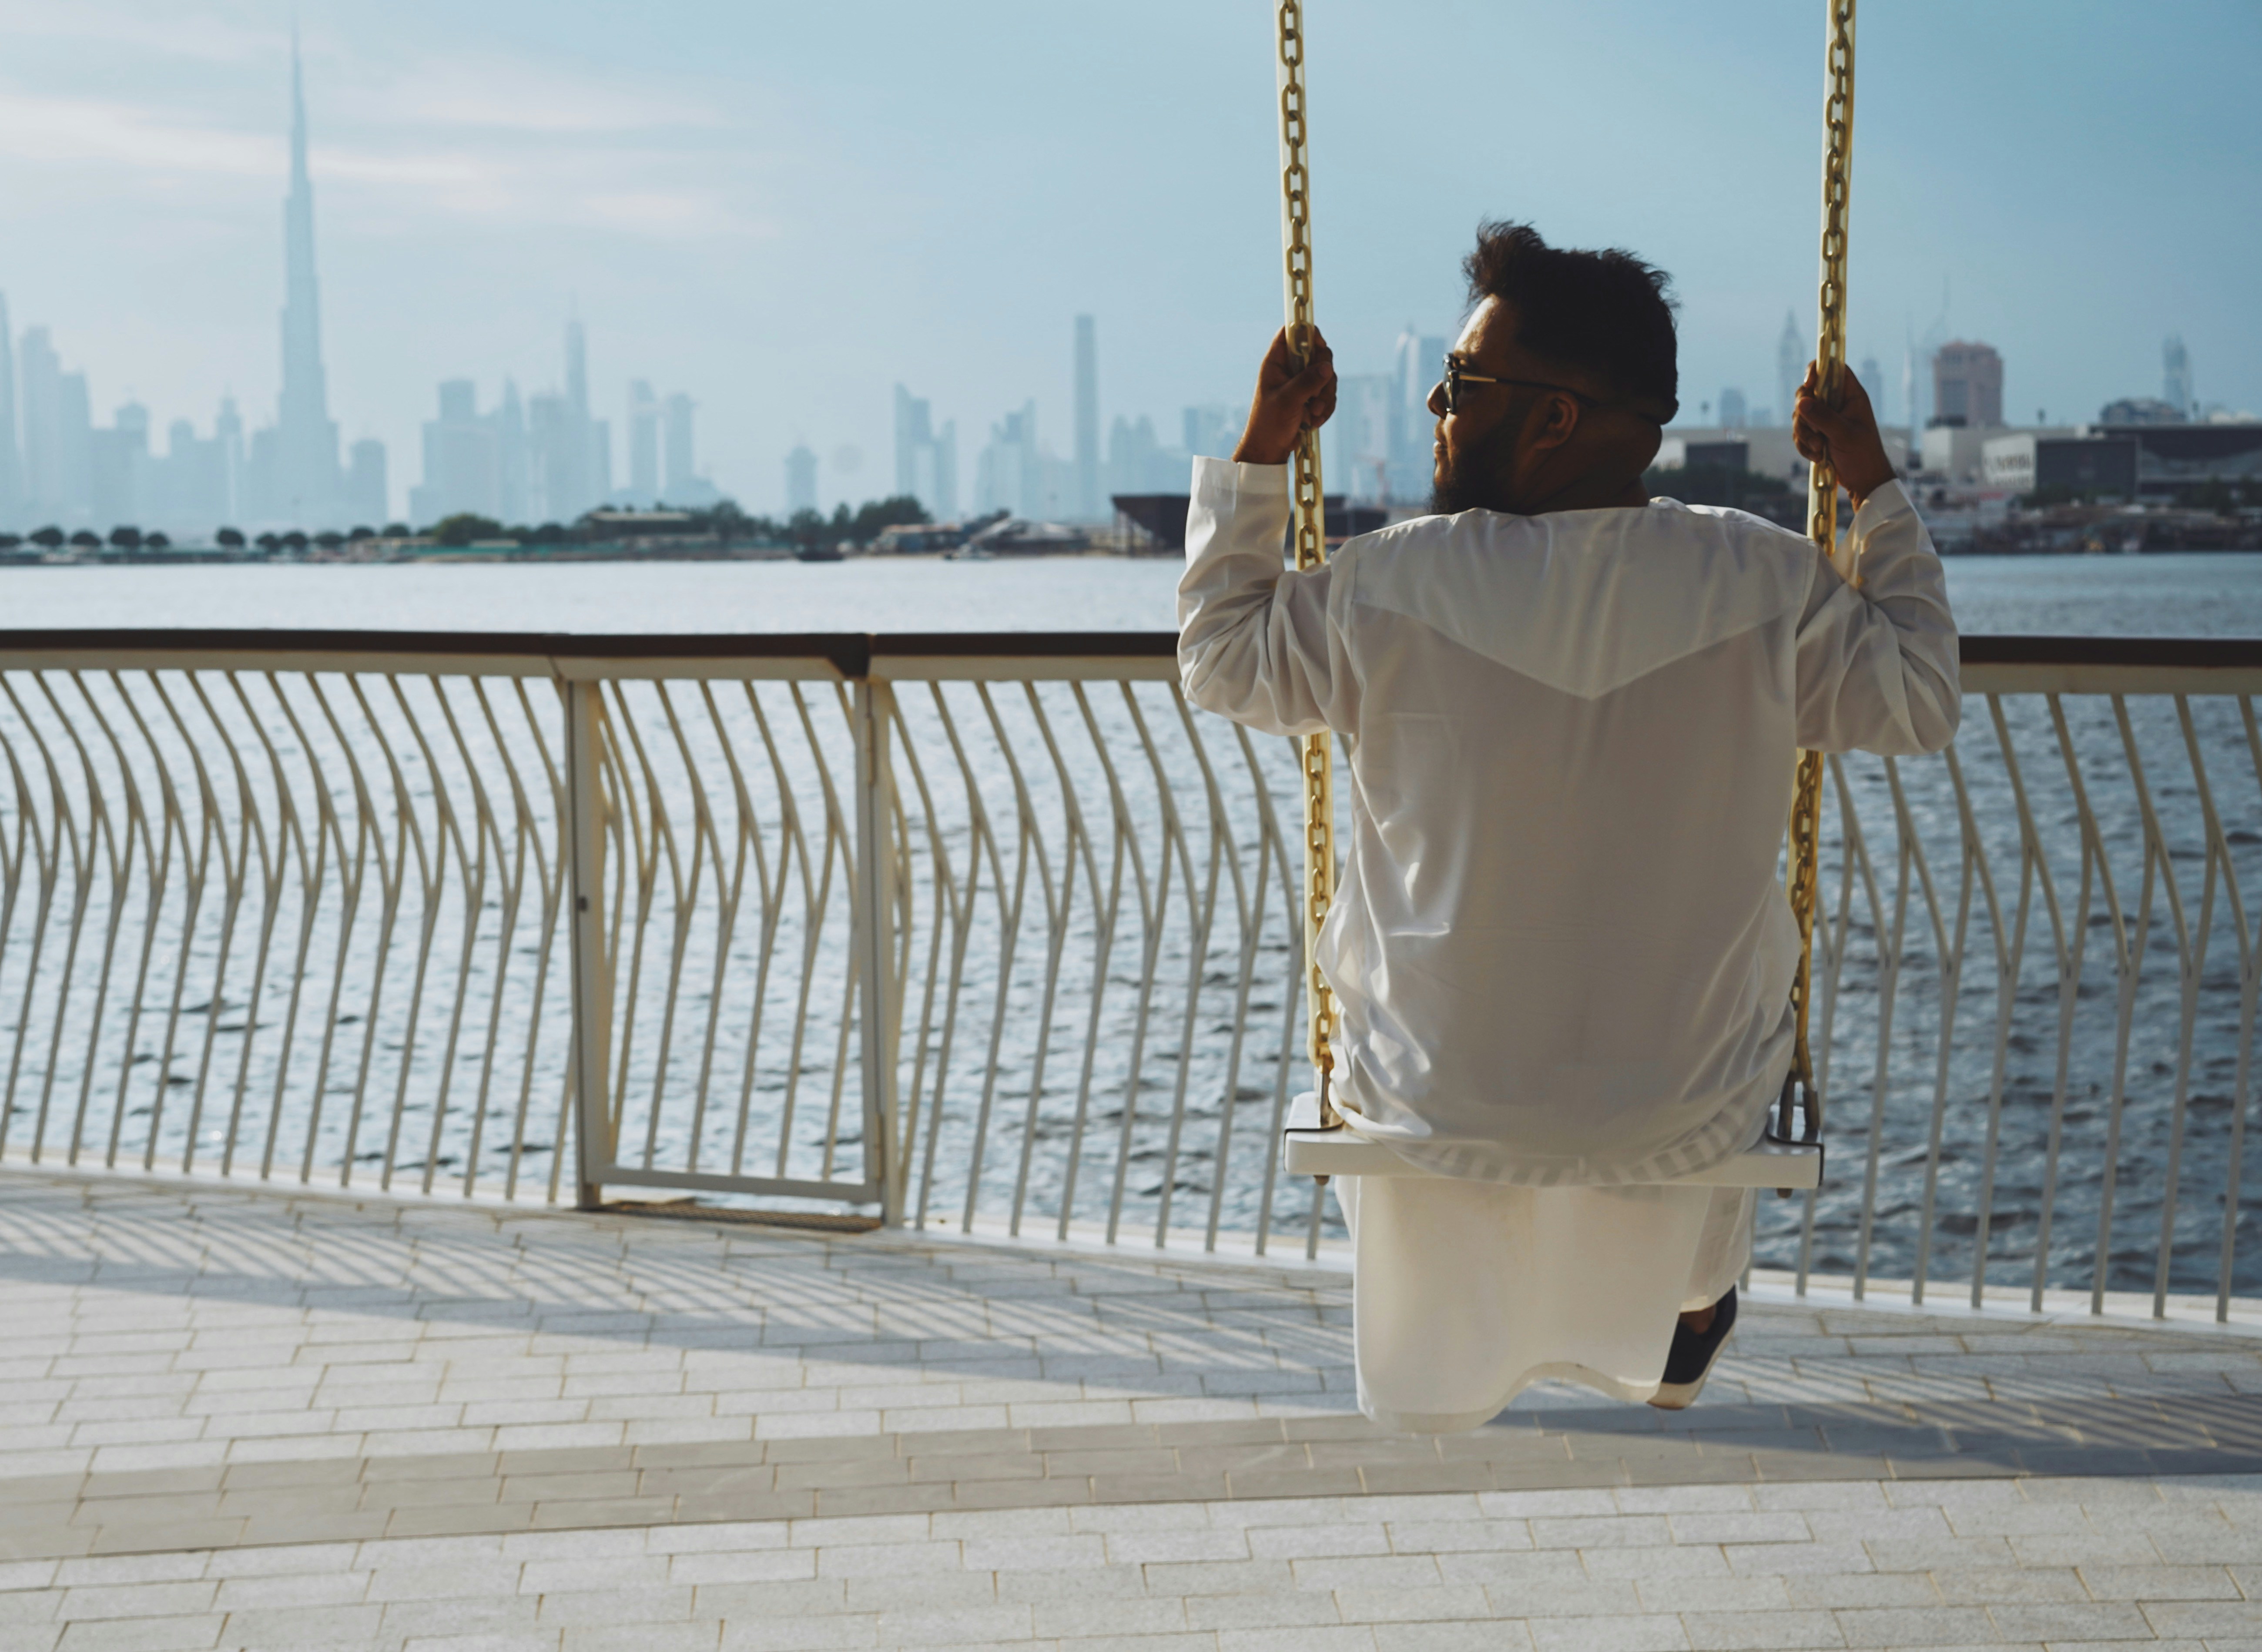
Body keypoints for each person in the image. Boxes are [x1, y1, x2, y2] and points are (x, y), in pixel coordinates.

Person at [1178, 221, 1959, 1428]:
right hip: (1680, 1104)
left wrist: (1264, 451)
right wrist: (1871, 486)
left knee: (1410, 1016)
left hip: (1433, 1099)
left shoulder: (1391, 584)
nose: (1439, 405)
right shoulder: (1758, 582)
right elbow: (1917, 698)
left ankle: (1541, 1318)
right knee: (1727, 1032)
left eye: (1463, 384)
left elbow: (1222, 659)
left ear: (1551, 421)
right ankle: (1694, 1299)